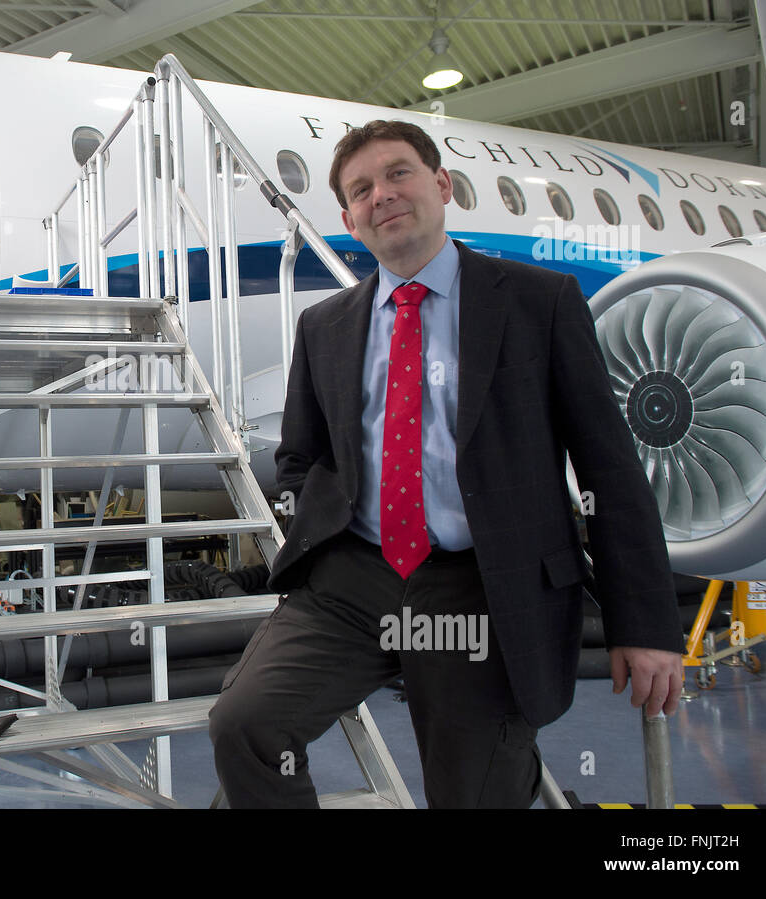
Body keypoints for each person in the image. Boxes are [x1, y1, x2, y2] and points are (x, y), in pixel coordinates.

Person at [208, 119, 684, 809]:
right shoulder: (325, 325)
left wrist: (641, 621)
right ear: (348, 217)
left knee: (472, 793)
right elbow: (300, 455)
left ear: (441, 184)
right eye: (362, 189)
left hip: (483, 585)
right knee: (245, 722)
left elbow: (609, 468)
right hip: (356, 580)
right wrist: (317, 530)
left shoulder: (537, 302)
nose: (383, 195)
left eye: (398, 173)